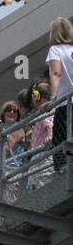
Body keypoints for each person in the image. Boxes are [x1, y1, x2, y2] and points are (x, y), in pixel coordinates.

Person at [46, 17, 73, 174]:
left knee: (61, 141)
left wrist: (53, 98)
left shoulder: (55, 50)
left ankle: (63, 171)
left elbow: (56, 73)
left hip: (65, 103)